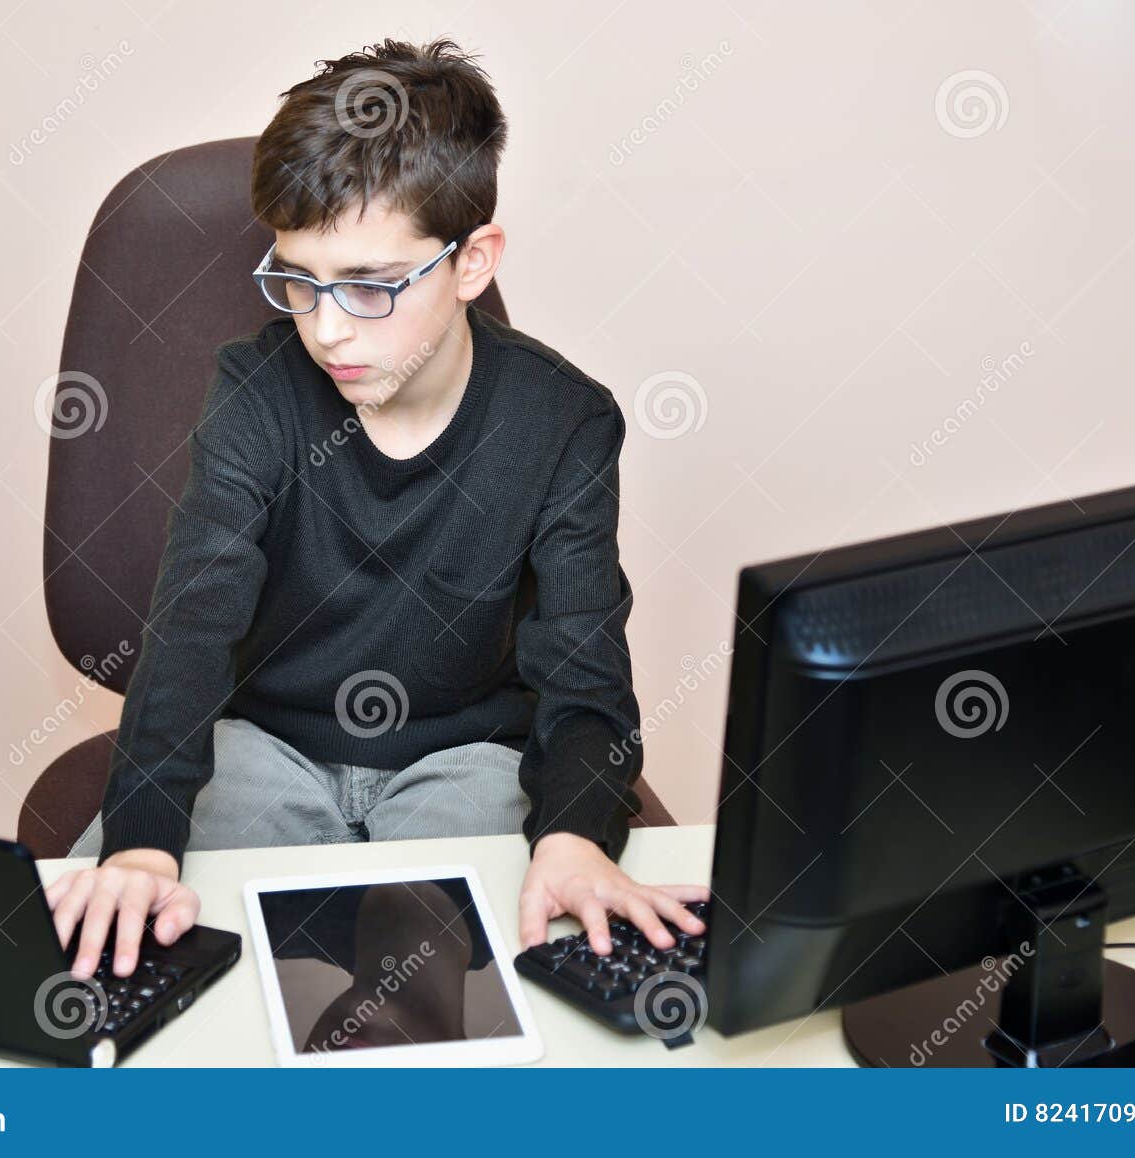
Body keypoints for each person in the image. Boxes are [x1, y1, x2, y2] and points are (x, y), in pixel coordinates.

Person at [44, 37, 707, 984]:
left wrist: (572, 832)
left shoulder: (564, 422)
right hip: (262, 748)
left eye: (368, 285)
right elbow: (190, 628)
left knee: (493, 995)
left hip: (468, 759)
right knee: (104, 967)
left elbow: (583, 673)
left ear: (473, 261)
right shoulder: (257, 394)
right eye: (296, 281)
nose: (327, 328)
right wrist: (144, 841)